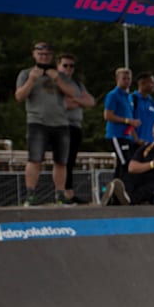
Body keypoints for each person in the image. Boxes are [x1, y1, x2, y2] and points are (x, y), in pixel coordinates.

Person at [14, 42, 81, 205]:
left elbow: (74, 94)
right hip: (37, 121)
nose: (44, 57)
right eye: (41, 54)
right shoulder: (25, 73)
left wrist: (58, 79)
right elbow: (19, 97)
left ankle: (59, 194)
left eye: (47, 54)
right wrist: (31, 80)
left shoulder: (60, 75)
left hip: (61, 122)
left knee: (61, 161)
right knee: (35, 159)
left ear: (52, 56)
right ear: (34, 54)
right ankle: (30, 195)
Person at [58, 53, 95, 204]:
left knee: (71, 161)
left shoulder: (77, 84)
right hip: (62, 125)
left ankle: (69, 192)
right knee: (62, 161)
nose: (68, 69)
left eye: (71, 66)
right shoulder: (55, 83)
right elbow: (63, 104)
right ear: (58, 66)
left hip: (76, 126)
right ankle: (62, 192)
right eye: (65, 65)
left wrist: (77, 100)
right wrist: (80, 101)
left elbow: (91, 101)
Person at [103, 68, 139, 191]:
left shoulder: (129, 97)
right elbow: (107, 115)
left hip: (127, 135)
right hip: (116, 134)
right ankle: (124, 188)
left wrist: (136, 138)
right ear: (117, 79)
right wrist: (127, 121)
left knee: (122, 163)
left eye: (128, 78)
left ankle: (115, 189)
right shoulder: (113, 95)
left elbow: (131, 117)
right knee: (125, 163)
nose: (127, 81)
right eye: (124, 78)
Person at [131, 72, 154, 144]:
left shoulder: (153, 103)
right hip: (135, 143)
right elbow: (128, 122)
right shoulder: (132, 99)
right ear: (142, 83)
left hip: (151, 144)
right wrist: (136, 139)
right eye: (151, 83)